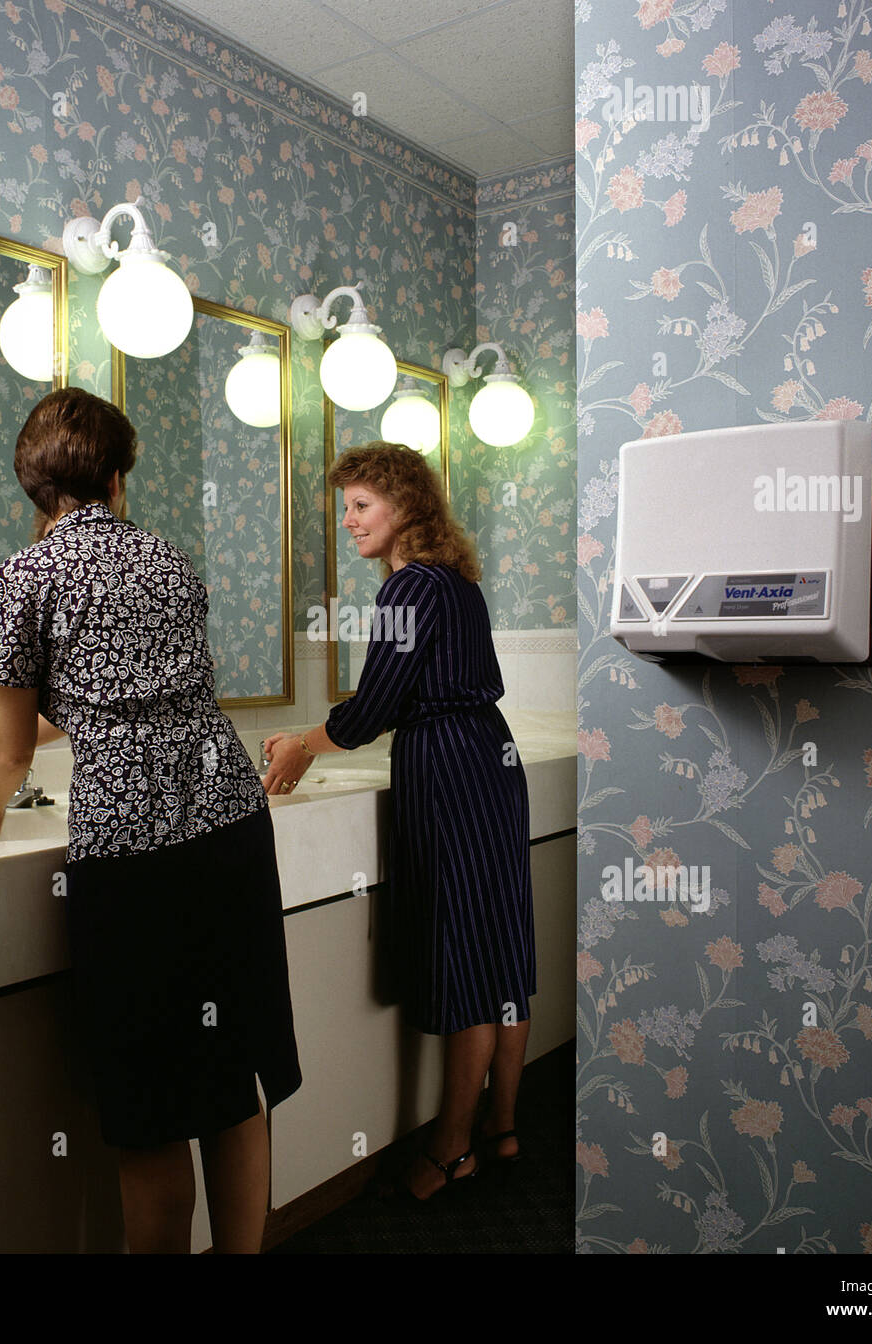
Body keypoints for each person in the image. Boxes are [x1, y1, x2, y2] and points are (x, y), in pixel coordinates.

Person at [0, 388, 301, 1253]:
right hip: (232, 830)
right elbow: (126, 696)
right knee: (231, 1079)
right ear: (119, 478)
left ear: (33, 487)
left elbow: (19, 745)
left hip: (136, 856)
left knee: (150, 1104)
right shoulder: (167, 558)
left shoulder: (26, 575)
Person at [261, 442, 535, 1201]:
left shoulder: (410, 588)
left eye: (362, 505)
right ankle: (503, 1127)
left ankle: (450, 1150)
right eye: (345, 507)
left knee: (466, 961)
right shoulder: (456, 582)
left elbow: (372, 711)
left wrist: (303, 745)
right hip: (491, 757)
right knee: (502, 951)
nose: (348, 520)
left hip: (449, 769)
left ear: (405, 506)